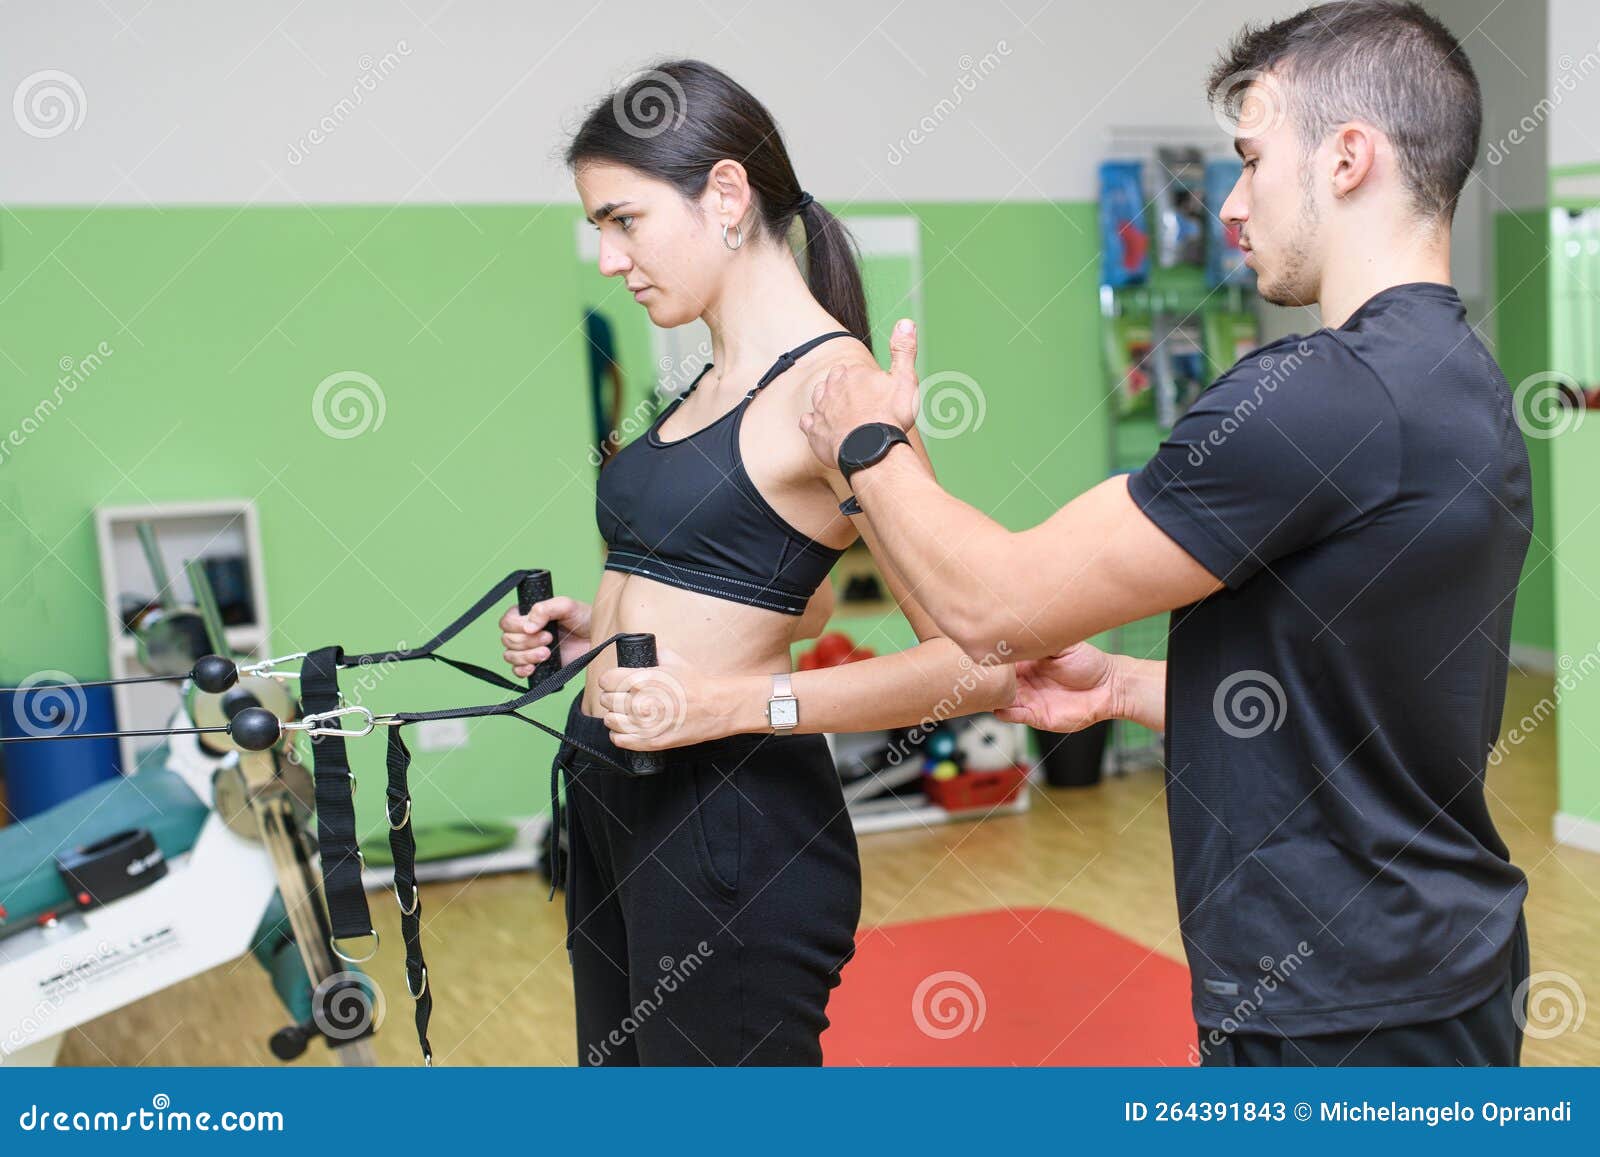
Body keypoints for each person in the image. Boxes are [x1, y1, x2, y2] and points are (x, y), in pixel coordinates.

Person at [795, 0, 1532, 1065]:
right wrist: (1129, 687)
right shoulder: (1460, 383)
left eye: (1249, 159)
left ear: (1347, 158)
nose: (1230, 207)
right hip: (1440, 969)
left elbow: (991, 608)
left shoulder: (1314, 396)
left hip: (1335, 1006)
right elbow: (1361, 694)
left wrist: (860, 441)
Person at [499, 60, 1015, 1066]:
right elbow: (780, 590)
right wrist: (591, 637)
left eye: (623, 221)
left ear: (725, 195)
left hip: (728, 829)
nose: (608, 258)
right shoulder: (703, 381)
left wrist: (731, 703)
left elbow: (977, 658)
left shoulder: (835, 390)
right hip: (619, 795)